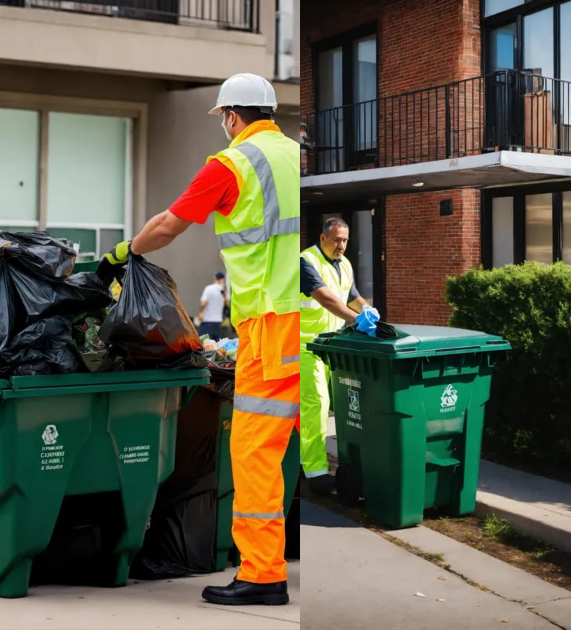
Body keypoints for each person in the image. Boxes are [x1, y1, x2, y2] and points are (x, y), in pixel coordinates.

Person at [99, 73, 300, 605]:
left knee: (254, 451)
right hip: (307, 327)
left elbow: (170, 223)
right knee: (290, 447)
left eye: (224, 120)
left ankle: (263, 576)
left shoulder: (232, 164)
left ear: (232, 116)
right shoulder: (297, 156)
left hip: (272, 327)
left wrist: (126, 251)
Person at [300, 217, 377, 493]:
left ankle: (302, 459)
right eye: (336, 240)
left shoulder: (344, 264)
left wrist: (368, 311)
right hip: (305, 347)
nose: (341, 245)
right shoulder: (305, 262)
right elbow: (326, 298)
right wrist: (356, 320)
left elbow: (352, 295)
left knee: (337, 405)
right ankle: (315, 472)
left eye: (344, 240)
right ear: (323, 238)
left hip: (332, 348)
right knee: (316, 405)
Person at [198, 272, 228, 339]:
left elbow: (203, 303)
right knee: (215, 346)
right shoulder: (223, 292)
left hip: (207, 322)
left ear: (215, 278)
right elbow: (225, 304)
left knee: (203, 344)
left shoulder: (209, 288)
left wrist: (200, 313)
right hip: (218, 323)